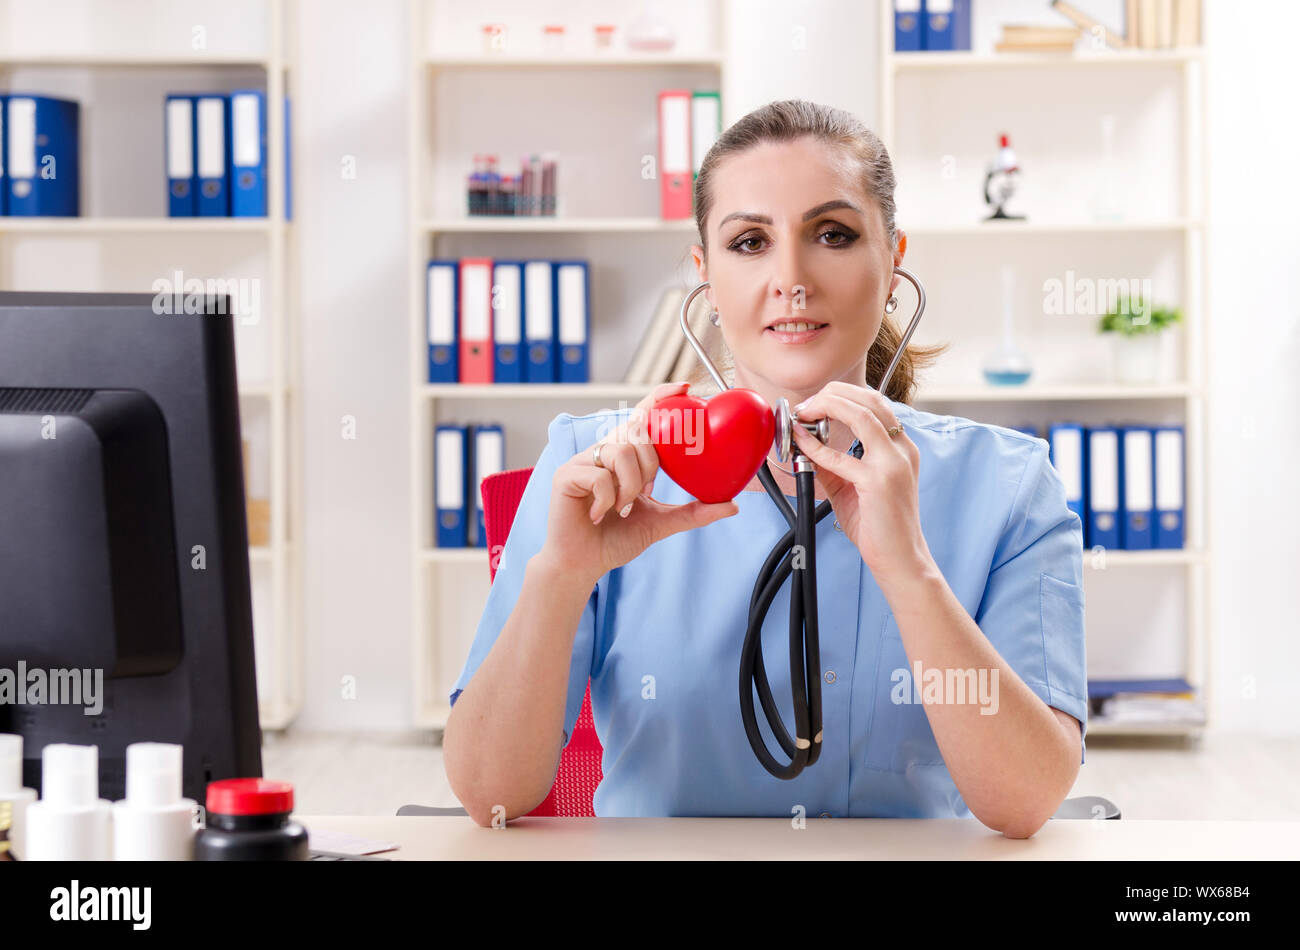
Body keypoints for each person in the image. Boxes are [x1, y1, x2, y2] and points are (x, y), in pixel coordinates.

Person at [442, 99, 1086, 838]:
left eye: (834, 235)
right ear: (705, 277)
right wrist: (560, 576)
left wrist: (911, 571)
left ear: (894, 261)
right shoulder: (595, 468)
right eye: (749, 241)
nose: (791, 279)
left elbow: (1026, 801)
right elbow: (490, 796)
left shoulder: (1006, 487)